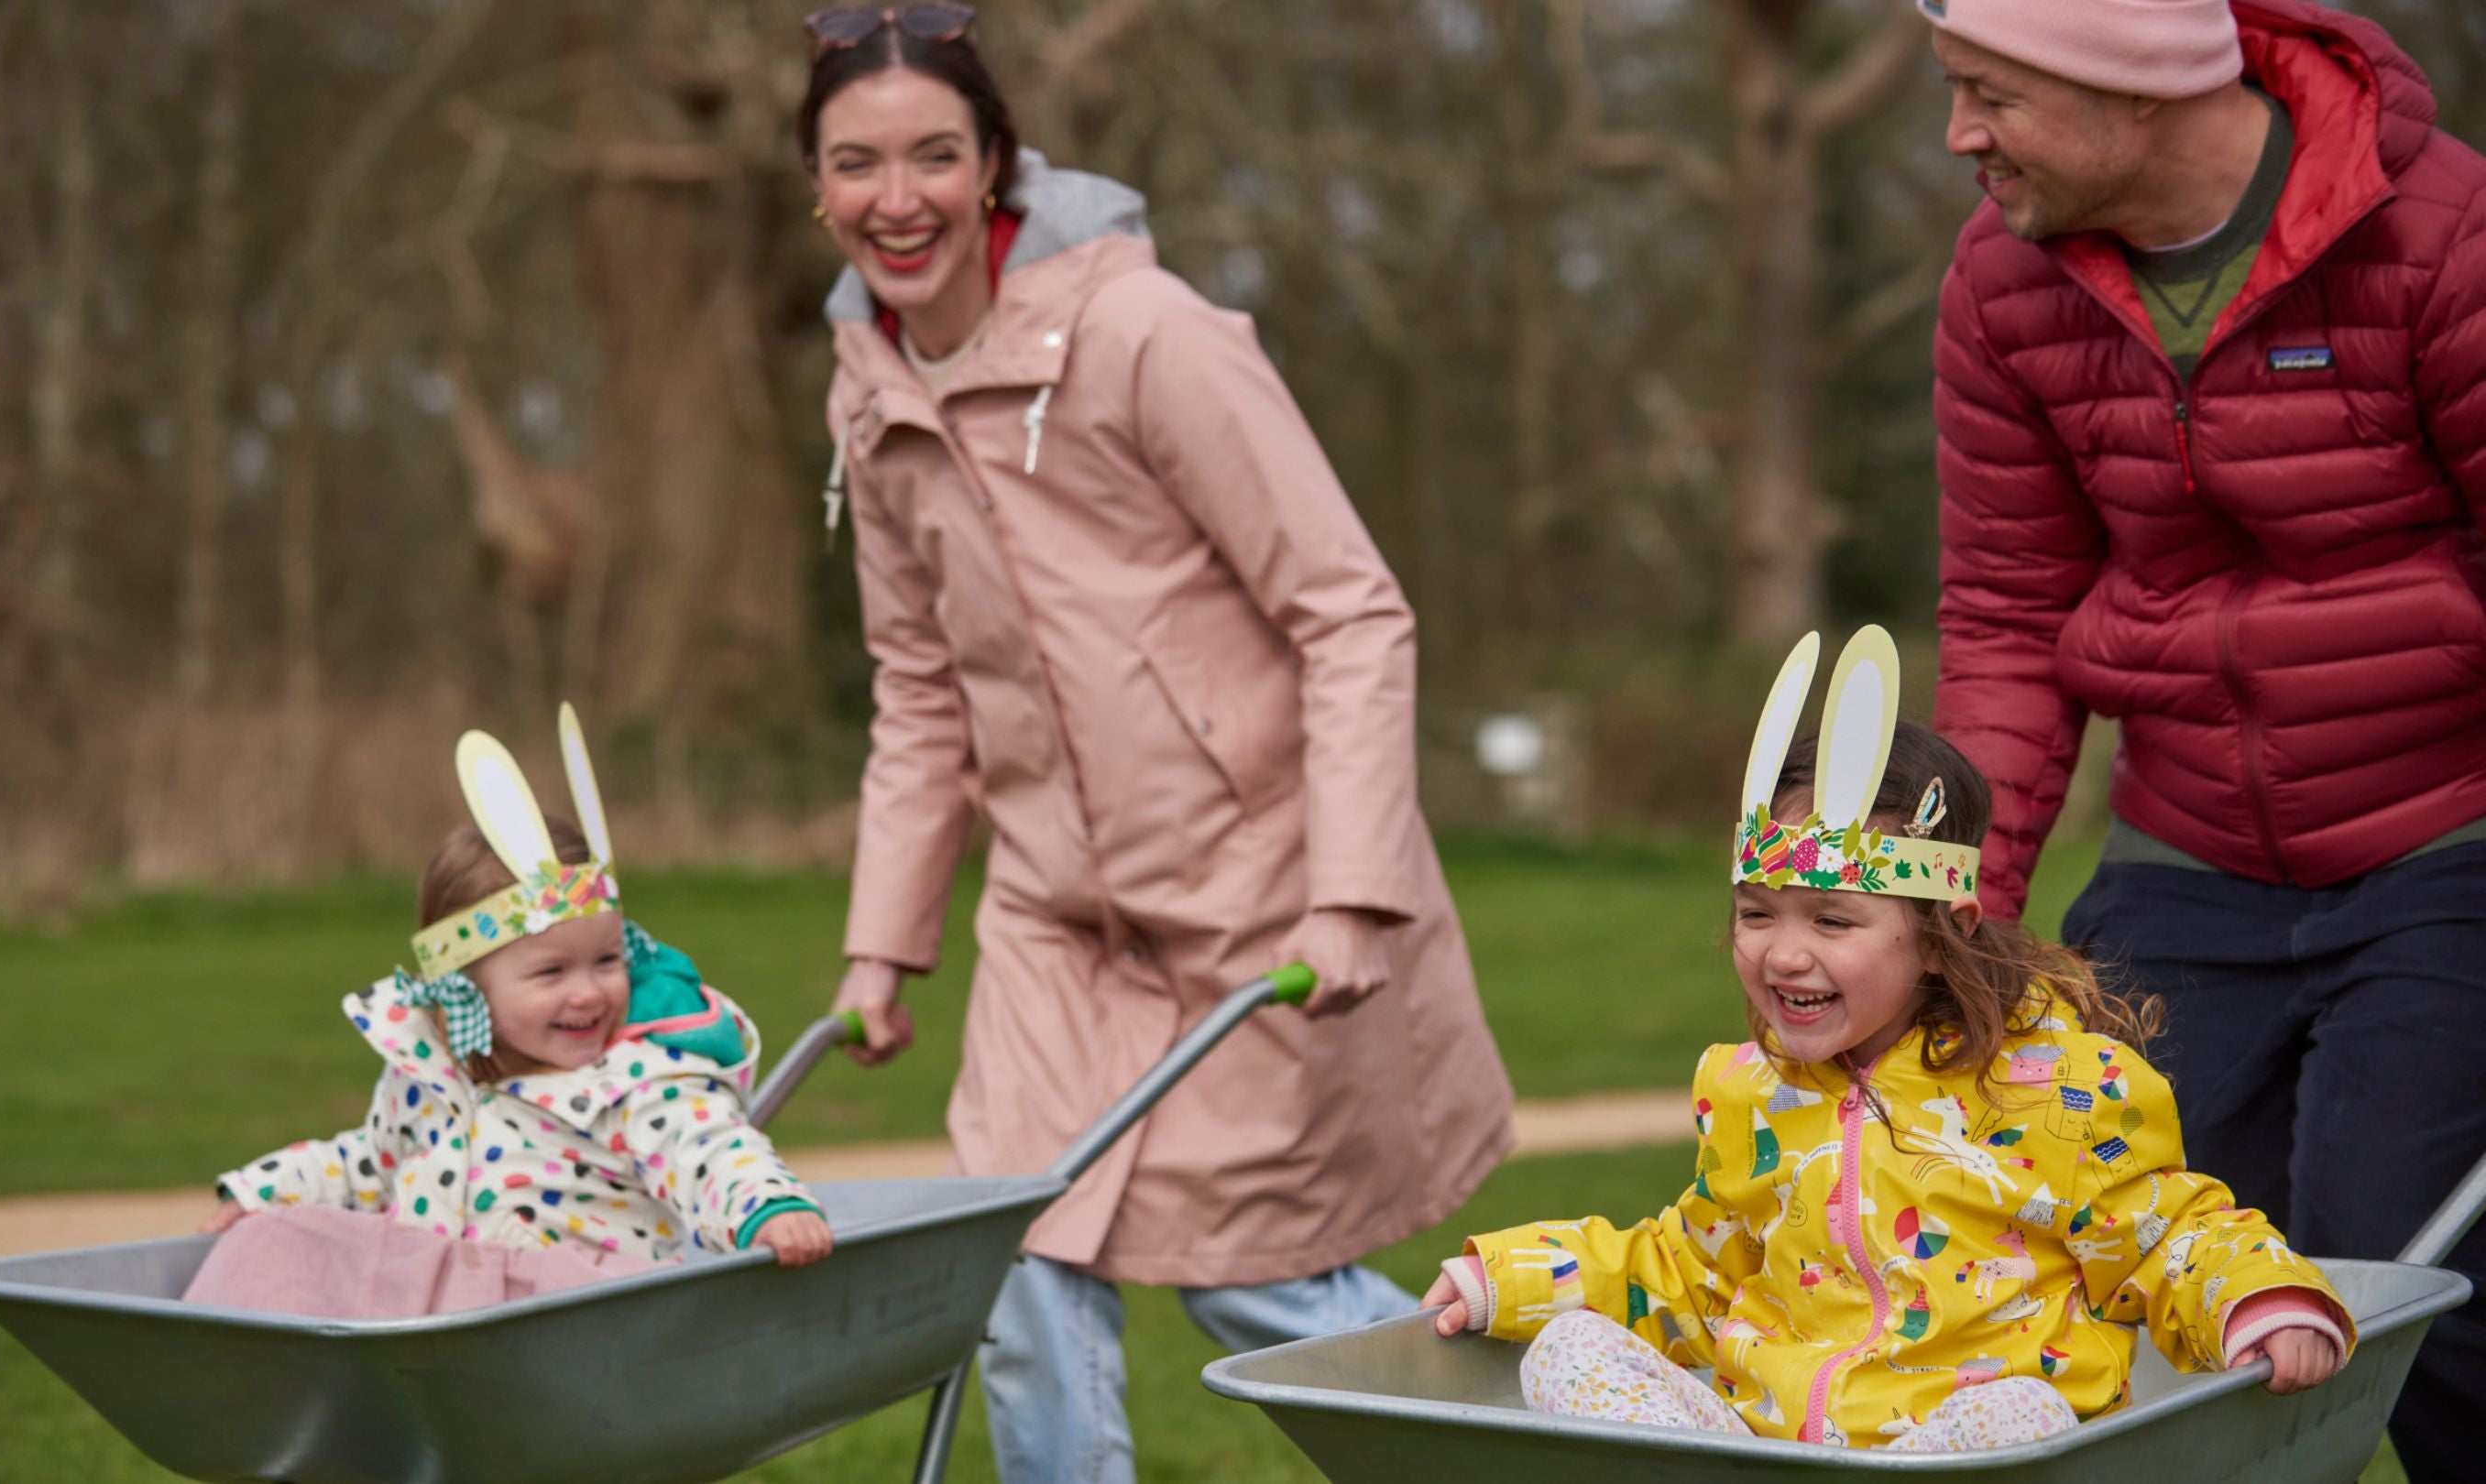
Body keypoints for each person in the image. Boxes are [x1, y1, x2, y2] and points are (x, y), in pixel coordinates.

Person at [795, 6, 1514, 1479]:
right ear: (817, 188)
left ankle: (1548, 1430)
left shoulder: (1143, 333)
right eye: (857, 164)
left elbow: (1351, 610)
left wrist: (1355, 890)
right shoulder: (868, 388)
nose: (899, 197)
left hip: (1256, 895)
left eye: (936, 154)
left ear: (997, 162)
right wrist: (883, 943)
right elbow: (919, 685)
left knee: (1255, 1285)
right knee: (1015, 1268)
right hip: (1052, 923)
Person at [1918, 0, 2486, 1473]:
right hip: (2187, 845)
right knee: (2107, 1238)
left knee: (2394, 1265)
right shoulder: (2000, 282)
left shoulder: (2442, 235)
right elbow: (2004, 615)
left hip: (2445, 830)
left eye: (1992, 95)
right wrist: (1947, 920)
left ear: (2140, 92)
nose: (1960, 135)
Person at [1422, 630, 2352, 1451]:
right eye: (1755, 913)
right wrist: (1512, 1277)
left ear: (1941, 936)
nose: (1783, 953)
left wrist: (2257, 1300)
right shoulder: (1756, 1096)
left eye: (1833, 922)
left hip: (1956, 1447)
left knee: (2020, 1416)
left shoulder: (2055, 1091)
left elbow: (2169, 1230)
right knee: (1569, 1352)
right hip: (1774, 1450)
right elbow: (1689, 1269)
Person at [197, 713, 831, 1315]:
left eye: (607, 961)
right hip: (449, 1340)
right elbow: (370, 1161)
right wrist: (266, 1191)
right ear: (466, 989)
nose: (587, 993)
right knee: (285, 1251)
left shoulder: (635, 1079)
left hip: (587, 1328)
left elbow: (707, 1148)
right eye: (552, 972)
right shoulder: (432, 1081)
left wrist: (767, 1207)